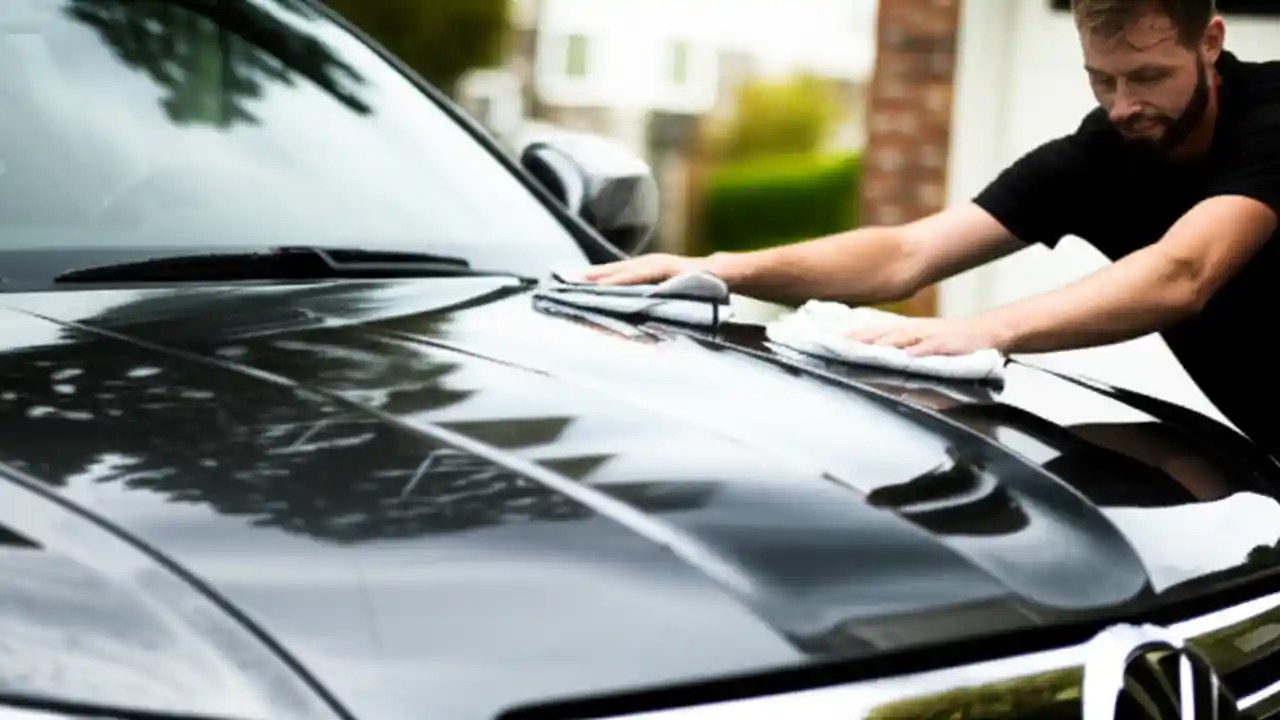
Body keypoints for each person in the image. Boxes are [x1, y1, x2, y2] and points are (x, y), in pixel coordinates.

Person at [577, 0, 1280, 454]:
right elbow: (904, 255)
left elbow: (1183, 274)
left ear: (1211, 41)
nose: (1125, 105)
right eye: (1103, 79)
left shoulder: (1270, 114)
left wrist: (983, 330)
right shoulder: (1102, 156)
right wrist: (719, 266)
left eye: (1149, 76)